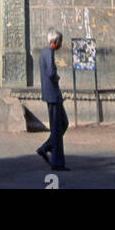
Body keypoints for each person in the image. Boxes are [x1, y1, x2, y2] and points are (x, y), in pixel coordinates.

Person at [36, 29, 69, 169]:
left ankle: (46, 147)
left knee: (63, 123)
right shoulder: (48, 52)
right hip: (53, 94)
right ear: (55, 42)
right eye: (60, 41)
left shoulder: (44, 52)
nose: (61, 43)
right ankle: (57, 162)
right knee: (57, 127)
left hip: (51, 94)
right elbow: (50, 72)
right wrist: (57, 77)